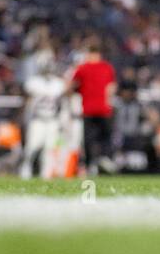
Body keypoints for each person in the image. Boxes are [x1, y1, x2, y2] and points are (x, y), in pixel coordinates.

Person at [69, 38, 116, 174]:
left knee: (88, 139)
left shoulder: (83, 68)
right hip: (103, 108)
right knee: (105, 137)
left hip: (88, 109)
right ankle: (104, 159)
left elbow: (72, 85)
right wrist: (108, 103)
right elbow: (111, 88)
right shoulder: (107, 67)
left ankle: (90, 165)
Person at [22, 51, 67, 179]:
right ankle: (26, 169)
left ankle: (45, 173)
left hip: (52, 120)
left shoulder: (59, 84)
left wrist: (62, 120)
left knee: (50, 148)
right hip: (37, 119)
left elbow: (62, 103)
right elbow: (27, 101)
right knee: (32, 147)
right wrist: (26, 117)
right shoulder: (33, 82)